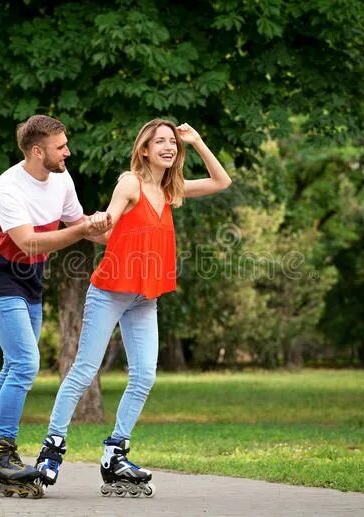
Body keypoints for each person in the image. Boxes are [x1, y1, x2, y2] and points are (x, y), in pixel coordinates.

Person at [35, 119, 232, 497]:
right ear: (144, 149)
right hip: (110, 291)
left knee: (144, 375)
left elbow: (221, 181)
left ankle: (115, 452)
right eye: (160, 141)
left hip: (145, 297)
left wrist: (198, 140)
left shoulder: (171, 190)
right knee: (84, 371)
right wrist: (97, 222)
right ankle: (52, 448)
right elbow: (110, 221)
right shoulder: (131, 182)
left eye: (172, 142)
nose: (169, 146)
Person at [0, 114, 111, 498]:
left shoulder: (62, 179)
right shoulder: (7, 187)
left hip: (30, 282)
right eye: (60, 146)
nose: (68, 151)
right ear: (37, 151)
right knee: (24, 363)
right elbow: (29, 243)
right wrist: (82, 231)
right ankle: (4, 453)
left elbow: (79, 221)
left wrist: (120, 238)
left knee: (11, 366)